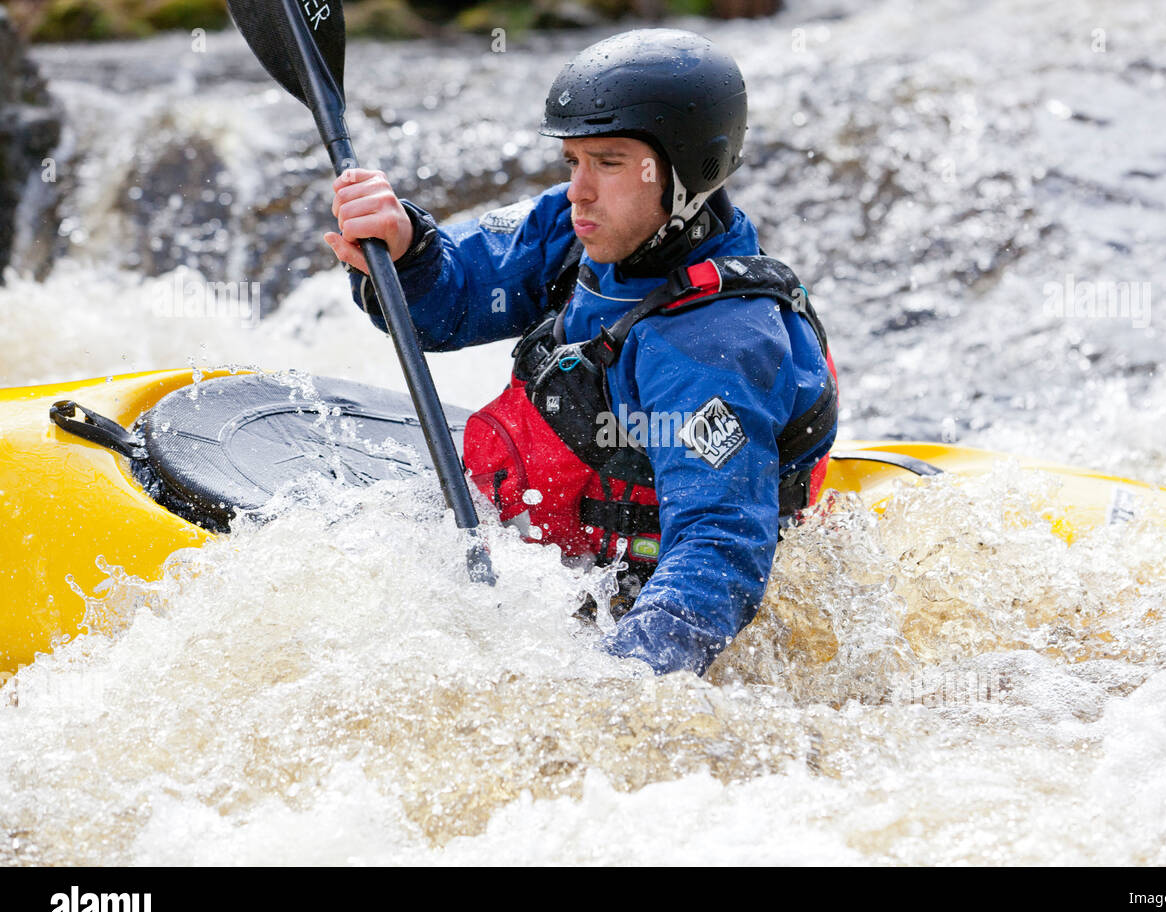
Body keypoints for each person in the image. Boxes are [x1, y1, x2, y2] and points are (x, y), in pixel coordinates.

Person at [324, 28, 837, 676]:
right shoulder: (580, 231)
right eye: (573, 161)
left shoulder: (714, 349)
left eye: (610, 162)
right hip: (528, 556)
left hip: (618, 606)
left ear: (685, 172)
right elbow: (449, 307)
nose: (579, 190)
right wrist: (405, 252)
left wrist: (608, 691)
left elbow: (716, 550)